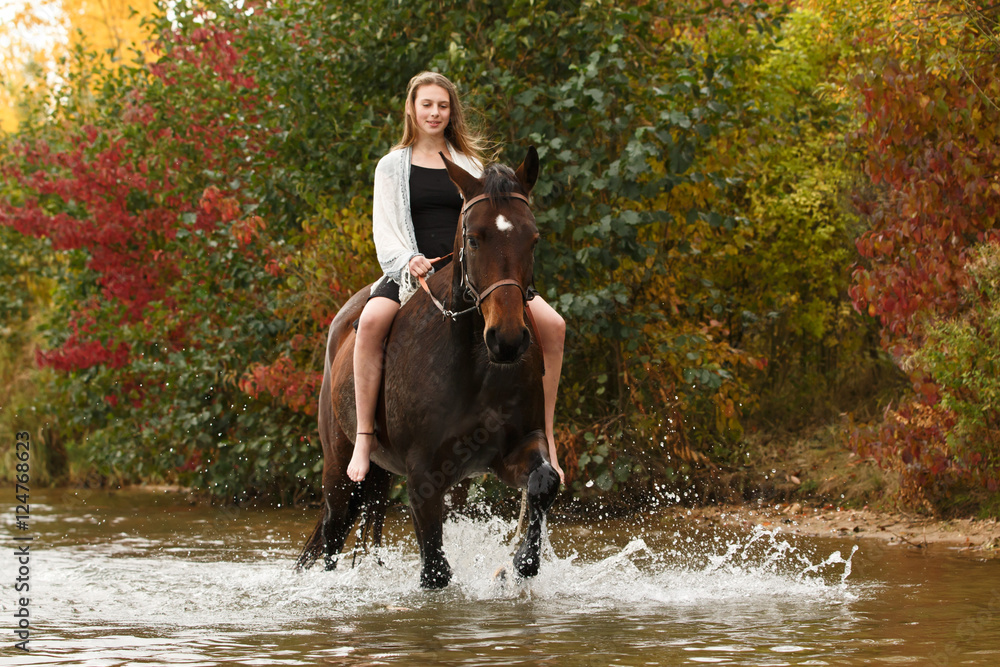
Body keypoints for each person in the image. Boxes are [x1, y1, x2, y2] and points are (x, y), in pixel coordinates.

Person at [346, 71, 566, 485]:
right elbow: (384, 229)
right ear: (412, 109)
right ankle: (363, 436)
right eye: (427, 104)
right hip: (413, 270)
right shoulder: (391, 166)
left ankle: (547, 437)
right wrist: (407, 260)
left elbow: (493, 226)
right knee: (371, 323)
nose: (435, 113)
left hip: (473, 274)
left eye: (442, 106)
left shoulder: (471, 165)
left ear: (452, 112)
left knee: (554, 326)